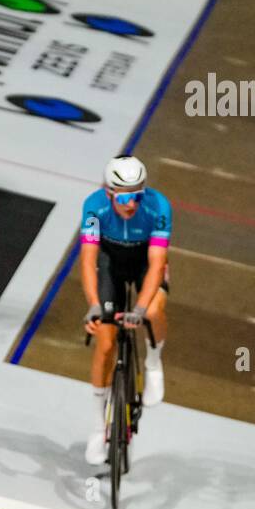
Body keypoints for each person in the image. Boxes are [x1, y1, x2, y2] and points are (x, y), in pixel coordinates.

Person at [81, 157, 172, 465]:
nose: (131, 204)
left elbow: (158, 263)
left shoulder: (158, 207)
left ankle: (154, 363)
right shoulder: (94, 207)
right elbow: (88, 258)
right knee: (105, 344)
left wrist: (141, 307)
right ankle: (97, 428)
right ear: (109, 193)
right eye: (123, 197)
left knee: (154, 310)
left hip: (145, 259)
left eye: (136, 195)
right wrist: (94, 304)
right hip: (111, 263)